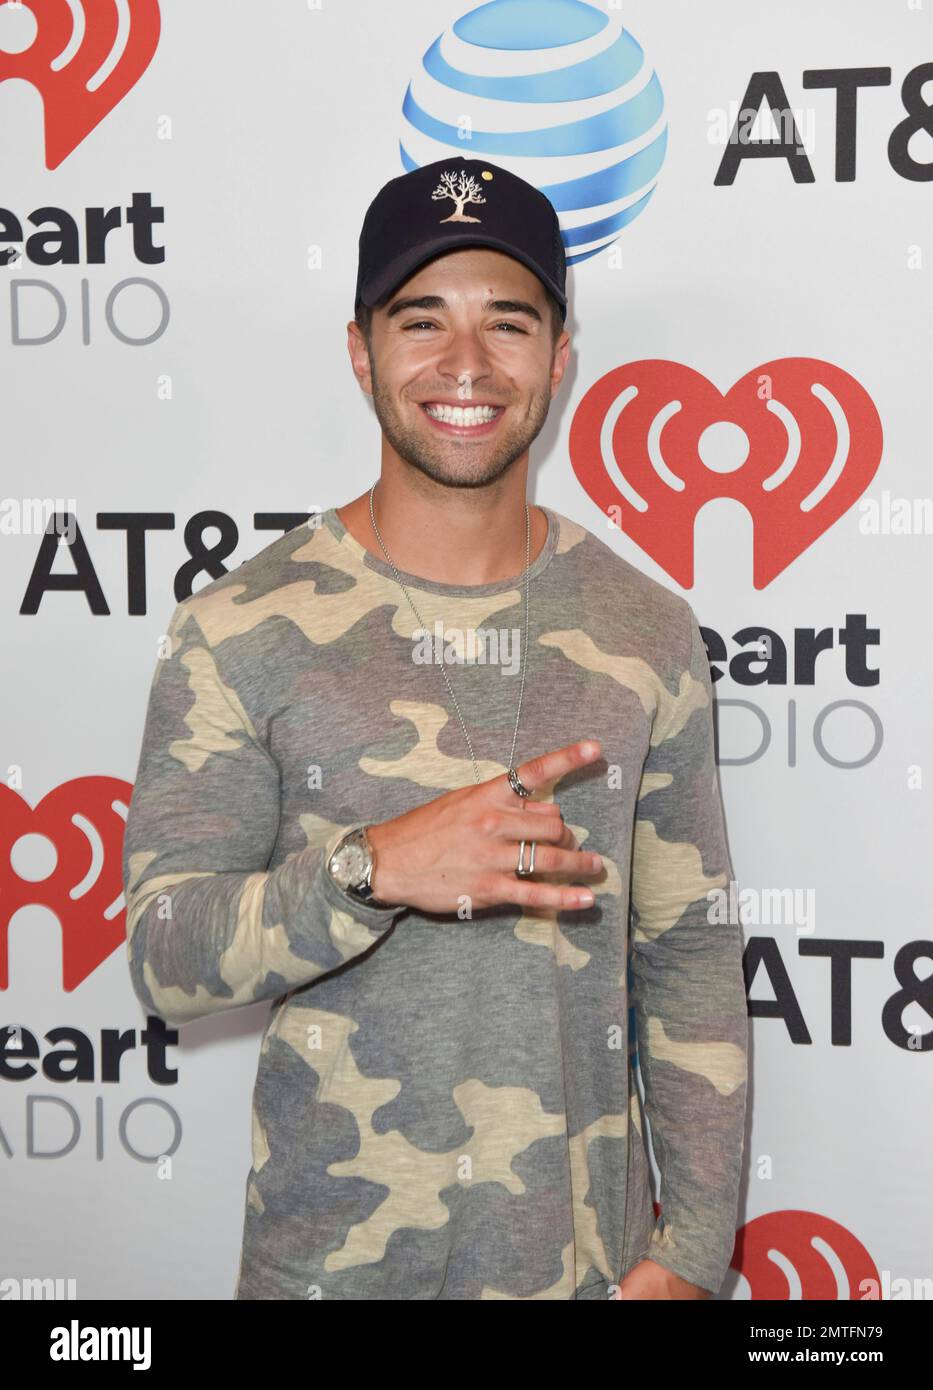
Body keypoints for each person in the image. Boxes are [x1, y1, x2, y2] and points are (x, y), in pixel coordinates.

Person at [122, 154, 748, 1301]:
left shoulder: (647, 627)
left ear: (560, 360)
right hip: (329, 1273)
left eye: (509, 323)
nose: (467, 365)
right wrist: (370, 869)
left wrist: (693, 1253)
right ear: (361, 350)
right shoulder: (236, 628)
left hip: (587, 1276)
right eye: (423, 320)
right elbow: (166, 954)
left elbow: (691, 951)